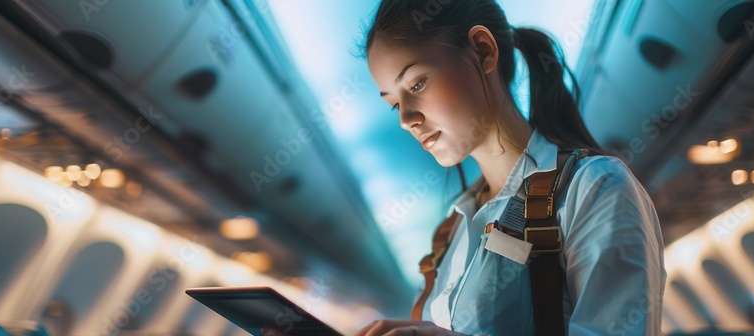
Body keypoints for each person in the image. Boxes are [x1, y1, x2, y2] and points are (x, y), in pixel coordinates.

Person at [264, 0, 665, 335]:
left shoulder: (594, 189)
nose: (405, 118)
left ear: (483, 51)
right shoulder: (451, 231)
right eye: (393, 102)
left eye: (417, 84)